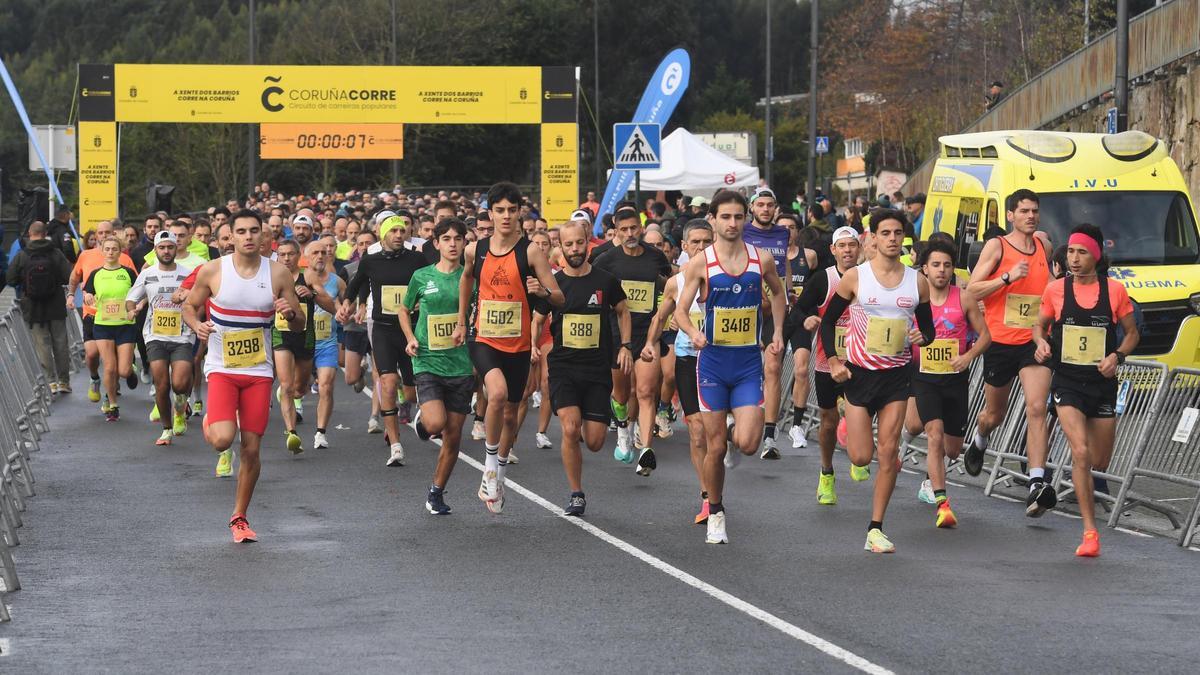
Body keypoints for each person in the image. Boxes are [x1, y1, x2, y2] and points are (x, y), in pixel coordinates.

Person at [183, 209, 304, 542]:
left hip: (259, 372)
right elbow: (189, 306)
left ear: (264, 236)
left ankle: (239, 517)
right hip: (222, 368)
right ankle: (211, 421)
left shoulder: (278, 273)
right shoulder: (213, 271)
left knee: (251, 450)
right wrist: (197, 326)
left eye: (254, 231)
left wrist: (290, 312)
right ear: (231, 236)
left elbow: (300, 324)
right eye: (241, 231)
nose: (248, 236)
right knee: (223, 439)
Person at [820, 209, 936, 554]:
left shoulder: (917, 282)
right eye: (885, 233)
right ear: (872, 238)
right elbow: (828, 323)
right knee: (860, 457)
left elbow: (928, 330)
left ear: (904, 238)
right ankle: (847, 423)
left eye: (897, 233)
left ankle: (876, 528)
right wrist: (835, 360)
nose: (892, 239)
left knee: (889, 453)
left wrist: (921, 337)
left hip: (897, 377)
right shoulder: (856, 278)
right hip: (859, 375)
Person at [675, 190, 787, 545]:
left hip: (747, 363)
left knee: (750, 443)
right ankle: (716, 510)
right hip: (712, 364)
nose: (733, 223)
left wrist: (779, 332)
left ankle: (736, 440)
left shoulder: (761, 259)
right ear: (714, 219)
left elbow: (779, 294)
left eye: (739, 216)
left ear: (747, 217)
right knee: (715, 447)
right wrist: (693, 332)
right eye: (726, 217)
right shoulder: (701, 263)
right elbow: (680, 311)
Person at [454, 182, 563, 514]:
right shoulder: (476, 249)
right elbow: (466, 278)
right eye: (498, 210)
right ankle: (488, 468)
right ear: (490, 213)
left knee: (513, 415)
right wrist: (461, 320)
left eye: (511, 210)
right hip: (484, 337)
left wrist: (542, 292)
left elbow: (559, 297)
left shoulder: (531, 252)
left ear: (519, 213)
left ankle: (499, 471)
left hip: (518, 345)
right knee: (496, 394)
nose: (505, 216)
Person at [1033, 223, 1139, 557]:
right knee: (1079, 451)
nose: (1074, 260)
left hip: (1101, 384)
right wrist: (1040, 343)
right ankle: (1090, 533)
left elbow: (1132, 333)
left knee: (1098, 460)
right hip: (1067, 381)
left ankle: (1074, 486)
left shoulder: (1115, 291)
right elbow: (1039, 326)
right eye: (1070, 253)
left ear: (1095, 255)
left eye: (1081, 253)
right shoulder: (1056, 290)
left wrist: (1117, 356)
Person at [963, 189, 1059, 518]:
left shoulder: (1044, 247)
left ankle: (1036, 483)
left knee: (1036, 407)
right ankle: (980, 437)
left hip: (1033, 340)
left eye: (1034, 210)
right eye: (1023, 211)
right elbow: (971, 290)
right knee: (995, 415)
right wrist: (1006, 277)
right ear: (1010, 216)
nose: (1030, 216)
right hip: (1000, 342)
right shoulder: (997, 246)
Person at [536, 219, 632, 515]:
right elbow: (538, 318)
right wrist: (531, 346)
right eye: (568, 244)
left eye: (579, 243)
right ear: (560, 247)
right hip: (564, 366)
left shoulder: (605, 281)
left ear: (587, 240)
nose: (575, 249)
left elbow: (623, 310)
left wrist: (626, 346)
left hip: (596, 369)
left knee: (594, 441)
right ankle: (576, 492)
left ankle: (588, 432)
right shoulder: (554, 285)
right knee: (569, 427)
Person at [902, 239, 990, 528]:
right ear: (924, 268)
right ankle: (943, 503)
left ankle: (922, 454)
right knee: (934, 433)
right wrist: (908, 338)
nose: (941, 271)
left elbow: (986, 337)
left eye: (947, 266)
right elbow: (895, 333)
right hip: (924, 378)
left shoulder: (963, 298)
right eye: (936, 265)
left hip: (956, 380)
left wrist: (968, 355)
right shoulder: (912, 300)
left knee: (952, 449)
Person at [398, 218, 475, 515]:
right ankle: (422, 421)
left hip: (461, 364)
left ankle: (436, 492)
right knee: (434, 424)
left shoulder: (471, 278)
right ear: (437, 243)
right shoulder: (422, 276)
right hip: (427, 359)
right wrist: (409, 337)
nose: (453, 244)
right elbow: (404, 309)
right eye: (447, 238)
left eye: (458, 238)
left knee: (454, 436)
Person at [340, 215, 429, 466]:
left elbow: (428, 283)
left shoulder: (417, 259)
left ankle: (411, 403)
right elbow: (355, 285)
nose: (399, 235)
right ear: (384, 235)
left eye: (402, 230)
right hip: (383, 329)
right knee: (388, 383)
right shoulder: (370, 260)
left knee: (411, 393)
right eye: (394, 231)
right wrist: (348, 304)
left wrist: (423, 301)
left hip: (411, 330)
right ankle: (396, 444)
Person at [644, 218, 714, 523]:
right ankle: (708, 496)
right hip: (689, 360)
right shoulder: (677, 282)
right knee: (697, 431)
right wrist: (649, 343)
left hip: (726, 362)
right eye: (695, 242)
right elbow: (660, 318)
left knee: (727, 434)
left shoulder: (730, 274)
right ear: (684, 247)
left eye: (706, 241)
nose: (701, 247)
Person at [593, 206, 672, 476]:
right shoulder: (606, 260)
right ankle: (624, 432)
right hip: (617, 336)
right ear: (615, 230)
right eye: (624, 229)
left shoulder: (656, 257)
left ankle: (646, 451)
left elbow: (666, 284)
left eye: (634, 228)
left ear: (641, 227)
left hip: (647, 336)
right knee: (622, 394)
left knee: (647, 391)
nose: (630, 234)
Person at [794, 227, 862, 505]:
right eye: (841, 246)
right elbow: (798, 308)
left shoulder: (869, 277)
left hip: (861, 360)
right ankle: (826, 471)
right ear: (833, 250)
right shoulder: (824, 279)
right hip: (827, 361)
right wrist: (806, 319)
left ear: (859, 248)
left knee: (862, 412)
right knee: (829, 421)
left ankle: (860, 454)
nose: (847, 250)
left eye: (852, 245)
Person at [125, 231, 195, 446]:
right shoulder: (147, 274)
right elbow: (131, 297)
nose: (166, 251)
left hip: (183, 335)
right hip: (154, 335)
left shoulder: (188, 274)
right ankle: (167, 429)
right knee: (162, 384)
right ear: (155, 250)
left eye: (170, 247)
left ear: (177, 249)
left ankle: (181, 405)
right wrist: (132, 310)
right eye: (162, 247)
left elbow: (201, 298)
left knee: (180, 383)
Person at [741, 188, 792, 459]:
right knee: (745, 367)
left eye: (770, 205)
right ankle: (735, 420)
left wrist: (788, 293)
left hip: (775, 307)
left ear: (776, 209)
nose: (765, 209)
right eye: (760, 204)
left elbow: (784, 266)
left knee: (773, 366)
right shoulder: (742, 233)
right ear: (752, 208)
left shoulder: (783, 233)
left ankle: (770, 436)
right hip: (747, 307)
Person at [67, 220, 135, 405]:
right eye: (101, 233)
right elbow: (75, 278)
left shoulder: (125, 261)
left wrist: (135, 306)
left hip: (121, 319)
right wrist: (72, 295)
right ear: (96, 236)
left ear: (114, 234)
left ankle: (113, 391)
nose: (104, 235)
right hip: (94, 315)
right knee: (91, 354)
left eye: (108, 232)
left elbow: (137, 288)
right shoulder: (86, 255)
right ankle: (95, 379)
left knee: (116, 367)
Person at [6, 220, 73, 393]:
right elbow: (68, 276)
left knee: (42, 344)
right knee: (60, 343)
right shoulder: (56, 253)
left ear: (30, 234)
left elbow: (10, 279)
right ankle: (64, 381)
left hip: (33, 307)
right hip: (56, 304)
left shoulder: (22, 255)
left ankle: (51, 382)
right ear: (45, 234)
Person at [271, 240, 322, 454]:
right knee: (287, 384)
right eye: (281, 254)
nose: (286, 258)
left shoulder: (307, 276)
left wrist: (312, 295)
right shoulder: (272, 278)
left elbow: (326, 300)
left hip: (305, 335)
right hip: (281, 335)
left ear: (298, 255)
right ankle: (292, 433)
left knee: (300, 388)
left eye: (290, 254)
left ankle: (289, 391)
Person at [82, 237, 140, 421]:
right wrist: (88, 297)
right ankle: (112, 404)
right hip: (103, 325)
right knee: (109, 367)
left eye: (114, 249)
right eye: (107, 249)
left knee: (122, 370)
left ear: (120, 251)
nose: (110, 252)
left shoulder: (128, 273)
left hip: (125, 325)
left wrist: (136, 308)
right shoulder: (96, 274)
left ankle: (130, 371)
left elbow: (141, 292)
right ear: (102, 251)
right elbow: (87, 292)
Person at [305, 239, 345, 450]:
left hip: (327, 342)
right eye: (315, 253)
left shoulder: (337, 282)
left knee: (326, 385)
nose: (320, 256)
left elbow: (347, 302)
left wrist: (346, 309)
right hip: (303, 342)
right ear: (307, 256)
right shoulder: (297, 279)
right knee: (296, 389)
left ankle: (320, 432)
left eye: (323, 252)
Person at [784, 225, 820, 449]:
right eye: (782, 228)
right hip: (776, 319)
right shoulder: (767, 257)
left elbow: (816, 287)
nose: (787, 231)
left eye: (791, 227)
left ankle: (796, 425)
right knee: (771, 370)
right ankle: (768, 420)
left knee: (801, 369)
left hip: (800, 318)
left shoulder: (809, 256)